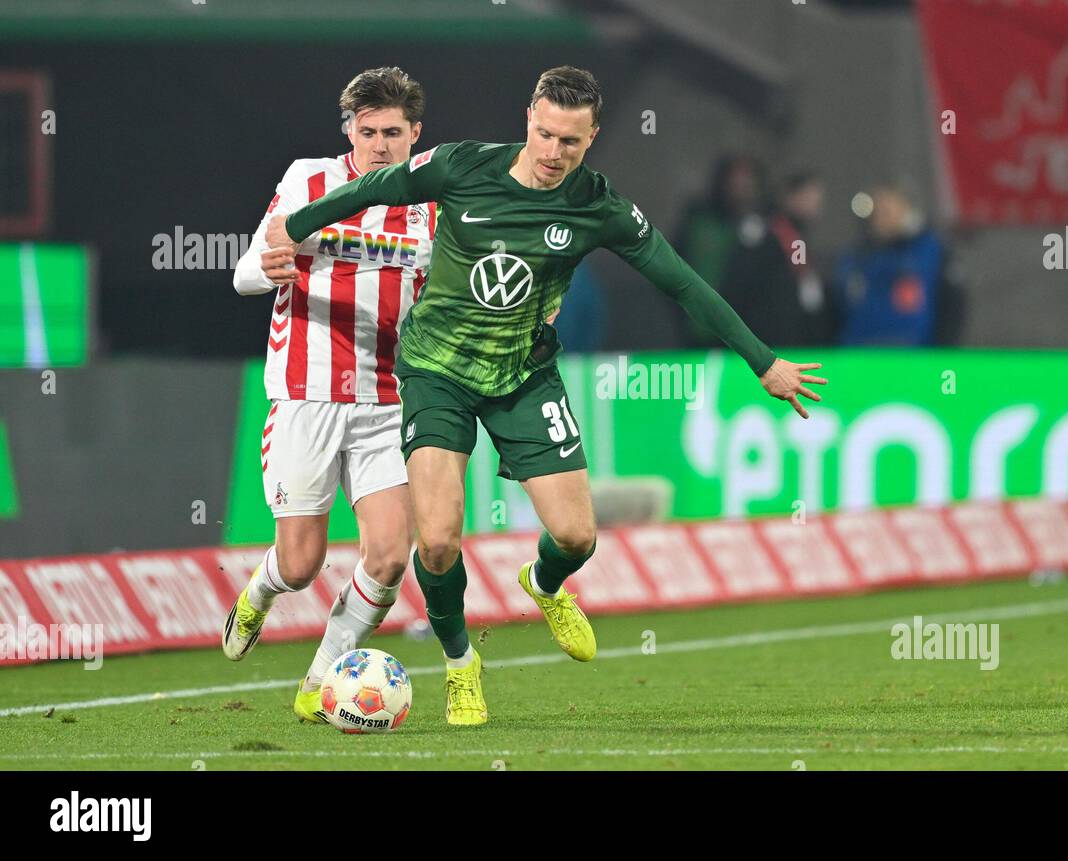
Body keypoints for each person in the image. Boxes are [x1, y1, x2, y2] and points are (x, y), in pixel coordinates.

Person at [265, 66, 826, 726]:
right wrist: (293, 225)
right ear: (528, 119)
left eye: (571, 141)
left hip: (523, 376)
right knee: (439, 541)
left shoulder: (598, 206)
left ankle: (546, 582)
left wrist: (762, 361)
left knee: (576, 535)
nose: (555, 152)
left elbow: (682, 282)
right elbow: (378, 185)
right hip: (436, 372)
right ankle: (459, 665)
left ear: (591, 138)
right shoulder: (462, 167)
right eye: (545, 134)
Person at [224, 67, 436, 724]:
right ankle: (259, 591)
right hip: (305, 395)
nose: (378, 144)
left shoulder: (434, 200)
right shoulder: (306, 180)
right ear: (349, 130)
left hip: (387, 402)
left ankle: (321, 677)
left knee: (390, 552)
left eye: (392, 133)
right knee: (301, 560)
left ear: (415, 134)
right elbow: (244, 275)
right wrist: (268, 265)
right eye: (367, 131)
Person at [718, 171, 833, 347]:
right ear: (791, 197)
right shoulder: (764, 232)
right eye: (810, 198)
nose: (816, 206)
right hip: (765, 334)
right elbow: (741, 282)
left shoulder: (797, 237)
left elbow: (803, 278)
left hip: (791, 335)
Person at [832, 185, 950, 346]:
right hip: (860, 350)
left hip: (912, 351)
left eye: (887, 211)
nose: (881, 219)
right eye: (877, 213)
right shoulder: (856, 257)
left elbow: (950, 303)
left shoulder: (928, 250)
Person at [673, 154, 768, 346]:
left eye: (748, 183)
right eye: (736, 182)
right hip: (700, 330)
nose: (741, 189)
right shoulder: (700, 225)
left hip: (750, 335)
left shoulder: (765, 227)